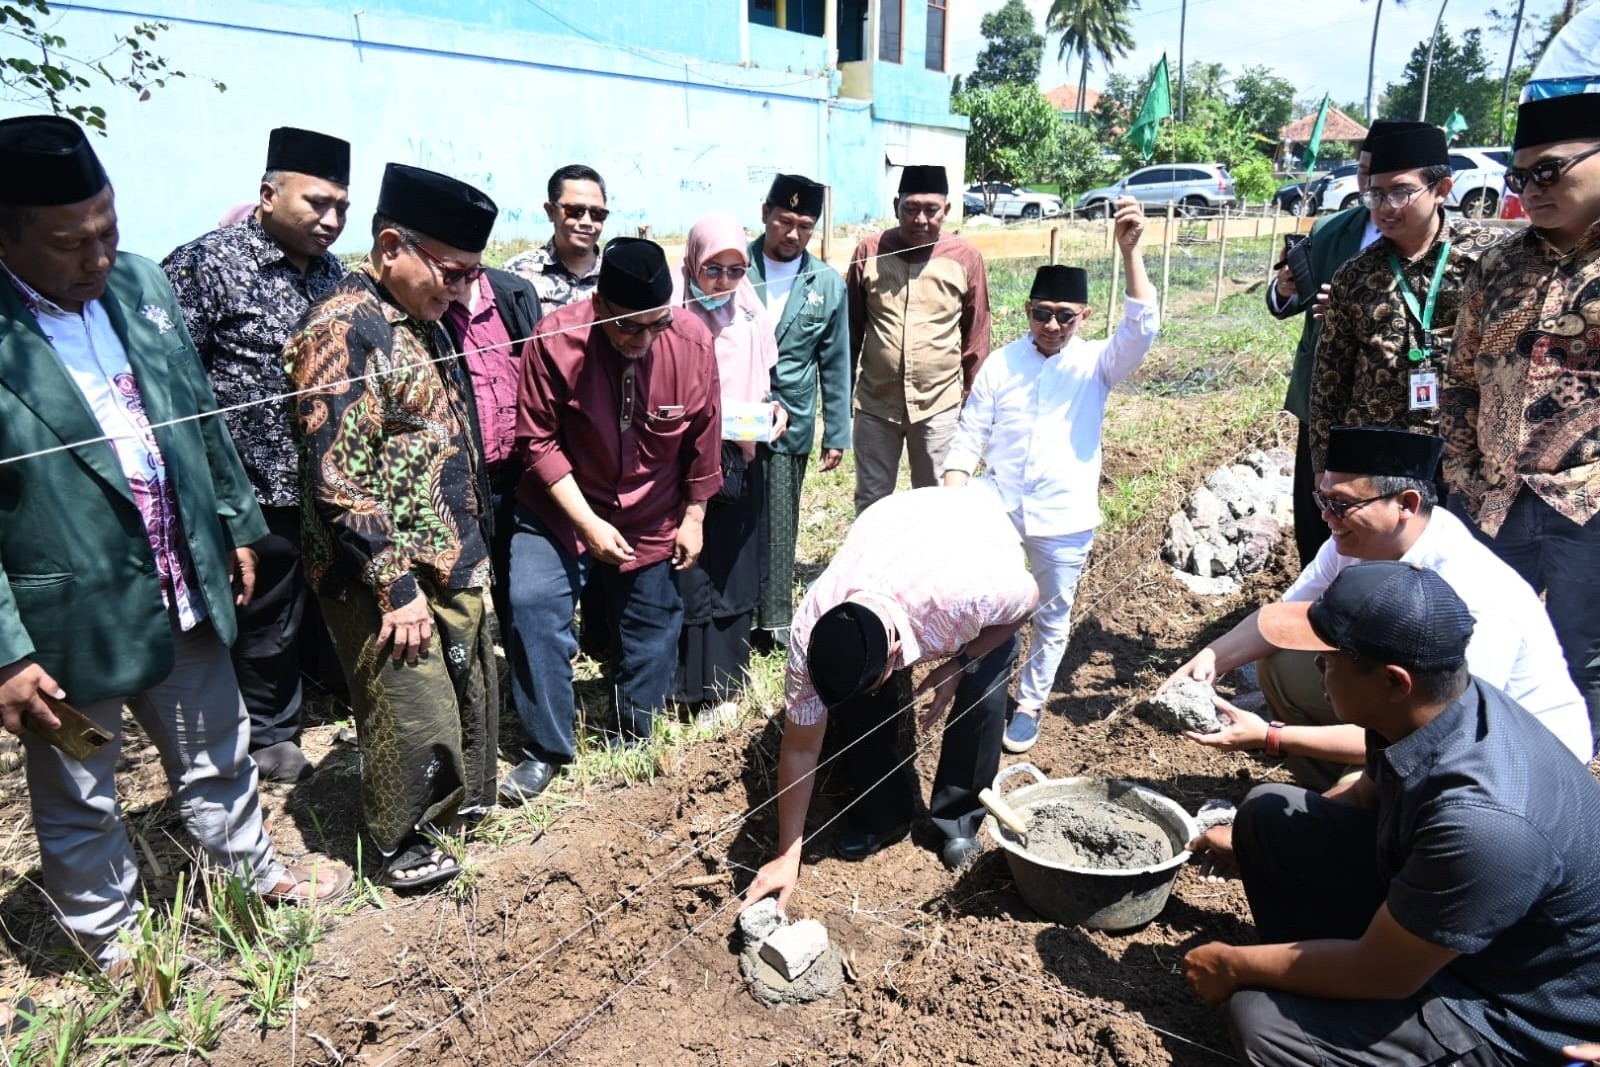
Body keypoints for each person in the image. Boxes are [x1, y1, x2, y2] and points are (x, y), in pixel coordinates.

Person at [0, 116, 349, 967]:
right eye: (69, 242)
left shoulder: (144, 287)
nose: (98, 256)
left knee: (218, 747)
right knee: (82, 787)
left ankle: (248, 875)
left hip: (182, 575)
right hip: (70, 608)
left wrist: (233, 524)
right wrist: (7, 650)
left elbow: (202, 419)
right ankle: (115, 945)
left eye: (109, 228)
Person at [1183, 562, 1600, 1067]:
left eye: (1330, 658)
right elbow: (1363, 800)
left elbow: (1384, 974)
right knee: (1270, 814)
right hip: (1457, 934)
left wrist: (1233, 965)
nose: (1317, 668)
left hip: (1509, 1010)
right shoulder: (1439, 707)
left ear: (1393, 681)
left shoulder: (1483, 824)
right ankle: (1319, 987)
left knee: (1265, 1026)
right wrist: (1250, 844)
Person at [285, 163, 500, 890]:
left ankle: (457, 804)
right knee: (409, 704)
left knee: (464, 680)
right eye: (450, 271)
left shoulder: (422, 318)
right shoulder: (343, 327)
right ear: (388, 246)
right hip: (382, 569)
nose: (461, 290)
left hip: (446, 549)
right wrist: (393, 584)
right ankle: (399, 839)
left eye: (471, 275)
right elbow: (336, 477)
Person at [1167, 426, 1591, 790]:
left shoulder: (1470, 592)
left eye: (1342, 504)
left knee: (1354, 821)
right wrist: (1209, 659)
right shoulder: (1355, 541)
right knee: (1281, 662)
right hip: (1425, 715)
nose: (1328, 518)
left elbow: (1442, 731)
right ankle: (1347, 775)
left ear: (1405, 504)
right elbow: (1282, 617)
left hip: (1515, 758)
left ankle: (1366, 796)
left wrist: (1272, 737)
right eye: (1323, 501)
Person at [741, 486, 1038, 909]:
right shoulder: (811, 630)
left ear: (896, 654)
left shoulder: (977, 596)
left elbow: (1029, 602)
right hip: (890, 524)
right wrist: (788, 854)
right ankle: (885, 817)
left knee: (982, 696)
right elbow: (803, 748)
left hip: (974, 531)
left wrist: (960, 662)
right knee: (861, 707)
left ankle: (958, 821)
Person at [162, 126, 352, 783]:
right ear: (268, 194)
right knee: (262, 612)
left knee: (316, 601)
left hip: (321, 480)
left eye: (341, 208)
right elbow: (168, 379)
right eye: (316, 202)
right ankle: (269, 734)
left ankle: (315, 696)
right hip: (245, 486)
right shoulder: (207, 264)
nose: (329, 220)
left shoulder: (334, 274)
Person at [503, 237, 721, 802]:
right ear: (600, 306)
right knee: (533, 607)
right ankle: (546, 747)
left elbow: (703, 437)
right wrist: (587, 524)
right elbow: (538, 443)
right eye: (630, 328)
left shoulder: (692, 341)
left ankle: (633, 733)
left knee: (653, 624)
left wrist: (693, 517)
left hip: (652, 511)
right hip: (558, 508)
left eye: (657, 324)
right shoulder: (556, 341)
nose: (645, 340)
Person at [942, 197, 1157, 755]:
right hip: (1001, 509)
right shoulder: (1002, 364)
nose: (1053, 325)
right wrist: (954, 494)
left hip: (1065, 514)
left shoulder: (1096, 364)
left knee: (1052, 613)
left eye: (1065, 315)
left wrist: (1131, 253)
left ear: (1084, 317)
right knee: (988, 600)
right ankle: (976, 684)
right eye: (1042, 313)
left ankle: (1030, 703)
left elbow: (1141, 330)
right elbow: (970, 433)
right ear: (1027, 312)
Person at [1442, 90, 1600, 740]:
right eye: (1519, 177)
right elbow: (1459, 380)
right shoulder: (1500, 264)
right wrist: (1461, 472)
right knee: (1473, 646)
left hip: (1585, 506)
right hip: (1493, 500)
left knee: (1581, 654)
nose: (1531, 190)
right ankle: (1480, 771)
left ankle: (1572, 792)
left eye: (1550, 171)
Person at [1308, 121, 1502, 475]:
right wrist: (1324, 468)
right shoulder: (1355, 275)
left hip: (1470, 455)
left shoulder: (1490, 260)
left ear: (1442, 188)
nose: (1385, 207)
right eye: (1375, 194)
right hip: (1379, 458)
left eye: (1400, 192)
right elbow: (1329, 382)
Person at [672, 215, 783, 717]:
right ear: (692, 262)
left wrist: (772, 412)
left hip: (740, 460)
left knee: (733, 570)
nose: (722, 283)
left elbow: (765, 381)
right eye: (712, 269)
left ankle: (724, 684)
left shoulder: (750, 314)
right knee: (689, 569)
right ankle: (685, 685)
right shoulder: (671, 314)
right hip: (679, 465)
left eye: (735, 271)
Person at [1266, 121, 1392, 563]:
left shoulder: (1436, 247)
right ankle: (1316, 600)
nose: (1370, 187)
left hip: (1391, 401)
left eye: (1384, 178)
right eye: (1363, 173)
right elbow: (1287, 300)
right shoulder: (1332, 230)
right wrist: (1285, 289)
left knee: (1382, 512)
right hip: (1322, 396)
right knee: (1317, 507)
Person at [847, 164, 991, 514]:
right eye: (911, 209)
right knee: (872, 501)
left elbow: (976, 337)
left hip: (938, 405)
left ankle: (930, 570)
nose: (921, 219)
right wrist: (839, 402)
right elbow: (849, 331)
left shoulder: (964, 257)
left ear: (947, 210)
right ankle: (875, 569)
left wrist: (976, 407)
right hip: (876, 404)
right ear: (896, 206)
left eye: (931, 210)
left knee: (937, 501)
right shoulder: (871, 251)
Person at [747, 174, 850, 650]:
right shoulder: (732, 267)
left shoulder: (826, 284)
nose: (791, 233)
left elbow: (834, 360)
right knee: (729, 516)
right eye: (784, 221)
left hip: (791, 420)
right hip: (733, 415)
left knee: (780, 521)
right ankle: (733, 616)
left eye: (804, 225)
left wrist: (837, 431)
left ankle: (774, 620)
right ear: (765, 212)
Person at [442, 253, 543, 629]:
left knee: (520, 582)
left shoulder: (514, 294)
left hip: (522, 474)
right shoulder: (427, 307)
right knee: (462, 587)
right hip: (463, 481)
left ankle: (523, 674)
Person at [503, 163, 608, 309]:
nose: (587, 222)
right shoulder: (515, 275)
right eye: (575, 210)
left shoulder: (620, 276)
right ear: (551, 211)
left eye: (597, 213)